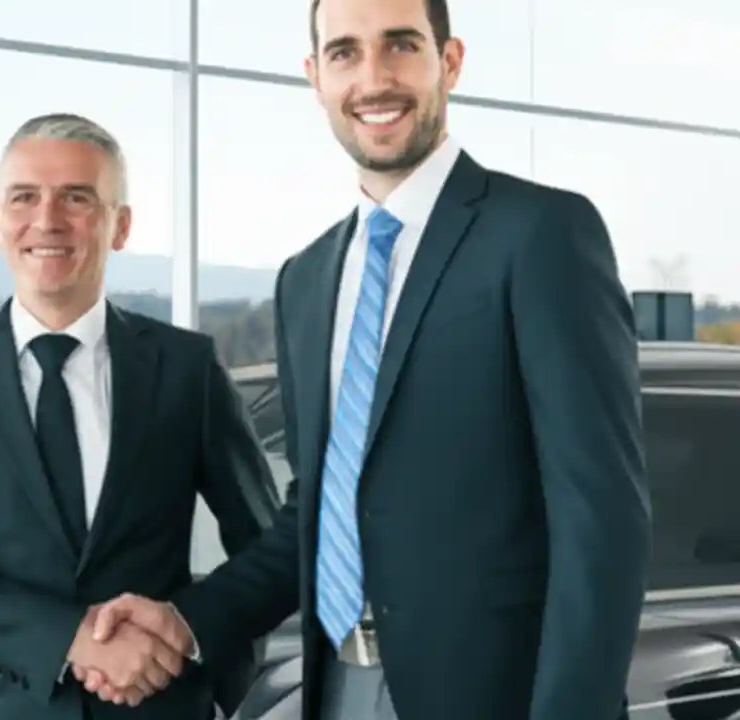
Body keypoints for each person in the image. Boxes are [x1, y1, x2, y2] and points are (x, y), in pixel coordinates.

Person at [83, 0, 652, 718]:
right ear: (316, 76)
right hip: (336, 689)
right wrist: (187, 622)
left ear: (449, 62)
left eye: (401, 45)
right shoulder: (307, 278)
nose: (373, 78)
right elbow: (314, 518)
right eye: (346, 53)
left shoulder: (540, 234)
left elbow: (601, 519)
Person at [0, 112, 282, 719]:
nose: (47, 220)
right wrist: (68, 639)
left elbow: (267, 545)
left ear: (120, 226)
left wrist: (191, 641)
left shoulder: (186, 369)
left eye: (76, 198)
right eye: (24, 198)